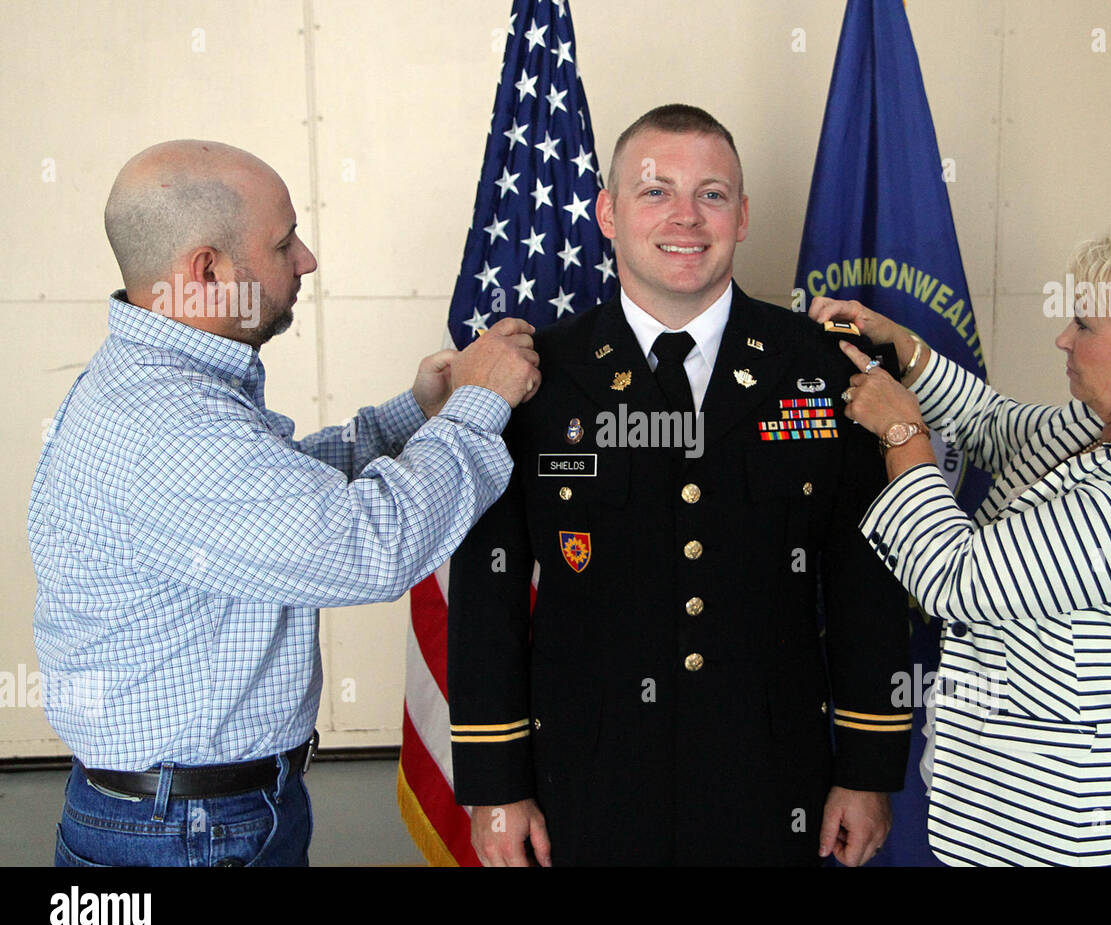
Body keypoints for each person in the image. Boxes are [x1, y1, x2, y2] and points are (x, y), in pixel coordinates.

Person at [29, 140, 540, 867]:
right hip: (193, 836)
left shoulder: (155, 382)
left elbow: (277, 493)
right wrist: (480, 405)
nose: (305, 259)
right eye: (282, 242)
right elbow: (366, 546)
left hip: (193, 818)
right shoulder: (170, 424)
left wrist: (416, 415)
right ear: (207, 271)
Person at [446, 105, 911, 866]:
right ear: (608, 211)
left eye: (713, 195)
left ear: (744, 214)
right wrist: (496, 784)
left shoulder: (824, 369)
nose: (686, 218)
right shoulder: (531, 376)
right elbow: (487, 597)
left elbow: (866, 582)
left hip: (771, 778)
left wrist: (866, 770)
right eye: (656, 192)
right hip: (585, 779)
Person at [815, 209, 1111, 866]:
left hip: (1087, 830)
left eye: (1085, 324)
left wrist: (902, 437)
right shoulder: (1104, 425)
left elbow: (957, 579)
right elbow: (995, 425)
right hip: (1023, 812)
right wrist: (903, 348)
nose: (1063, 338)